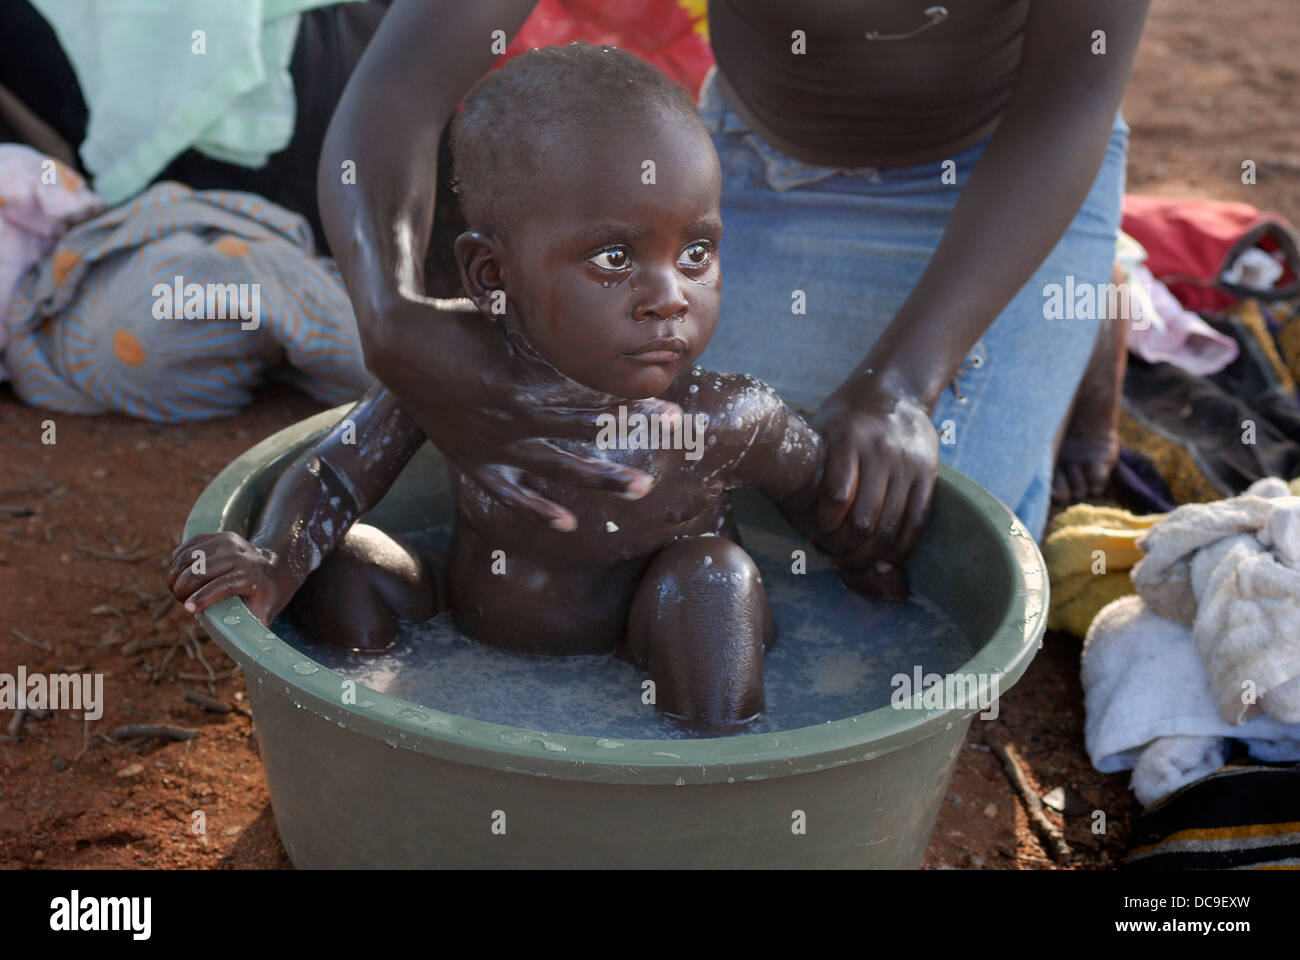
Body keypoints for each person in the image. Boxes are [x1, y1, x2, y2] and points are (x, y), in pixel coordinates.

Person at [316, 0, 1150, 593]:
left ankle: (1077, 285)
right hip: (752, 164)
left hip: (1002, 173)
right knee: (640, 464)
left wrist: (903, 382)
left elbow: (1075, 90)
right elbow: (406, 82)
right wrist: (387, 315)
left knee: (911, 545)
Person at [168, 43, 870, 731]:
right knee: (342, 562)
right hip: (460, 622)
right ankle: (376, 716)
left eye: (696, 252)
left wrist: (882, 597)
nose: (669, 297)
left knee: (712, 575)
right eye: (615, 256)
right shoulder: (457, 374)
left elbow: (827, 501)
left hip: (644, 650)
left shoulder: (728, 418)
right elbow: (337, 475)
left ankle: (712, 762)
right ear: (492, 277)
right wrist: (271, 558)